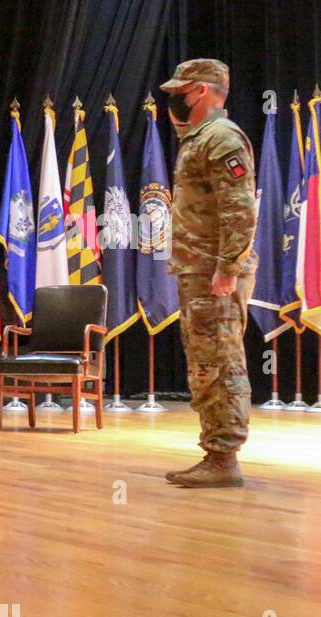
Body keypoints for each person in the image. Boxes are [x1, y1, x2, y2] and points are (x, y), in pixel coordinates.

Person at [161, 59, 257, 488]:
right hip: (198, 269)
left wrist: (227, 269)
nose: (174, 100)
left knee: (220, 360)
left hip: (213, 272)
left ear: (200, 90)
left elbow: (240, 210)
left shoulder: (221, 137)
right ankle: (216, 451)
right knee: (205, 360)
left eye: (179, 91)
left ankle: (223, 456)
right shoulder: (201, 137)